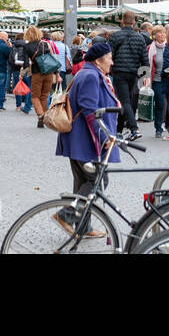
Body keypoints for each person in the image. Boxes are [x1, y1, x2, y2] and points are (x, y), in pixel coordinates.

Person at [53, 41, 119, 237]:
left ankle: (83, 227)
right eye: (109, 58)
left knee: (83, 182)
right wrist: (103, 135)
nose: (112, 62)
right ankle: (67, 215)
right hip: (86, 141)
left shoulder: (89, 72)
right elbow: (90, 111)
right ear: (99, 61)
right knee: (97, 181)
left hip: (79, 140)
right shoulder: (90, 75)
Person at [107, 11, 148, 141]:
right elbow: (144, 59)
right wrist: (145, 77)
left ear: (122, 21)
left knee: (124, 101)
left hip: (119, 72)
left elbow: (108, 55)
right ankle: (119, 130)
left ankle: (134, 129)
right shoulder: (140, 38)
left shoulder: (115, 36)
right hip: (134, 74)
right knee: (127, 102)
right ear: (134, 22)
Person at [24, 26, 58, 127]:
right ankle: (42, 119)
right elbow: (52, 58)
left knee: (35, 96)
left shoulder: (27, 46)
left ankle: (41, 115)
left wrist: (28, 66)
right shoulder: (45, 43)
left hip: (36, 73)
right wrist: (57, 73)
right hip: (49, 73)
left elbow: (25, 63)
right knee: (44, 96)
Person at [145, 25, 169, 138]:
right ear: (154, 36)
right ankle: (158, 127)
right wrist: (147, 78)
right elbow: (147, 64)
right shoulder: (150, 48)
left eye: (164, 33)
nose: (162, 35)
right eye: (160, 33)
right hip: (157, 80)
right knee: (160, 104)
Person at [9, 33, 31, 112]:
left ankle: (18, 105)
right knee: (28, 86)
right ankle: (27, 104)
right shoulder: (27, 45)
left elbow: (11, 59)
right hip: (26, 68)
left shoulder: (13, 46)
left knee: (18, 87)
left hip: (16, 69)